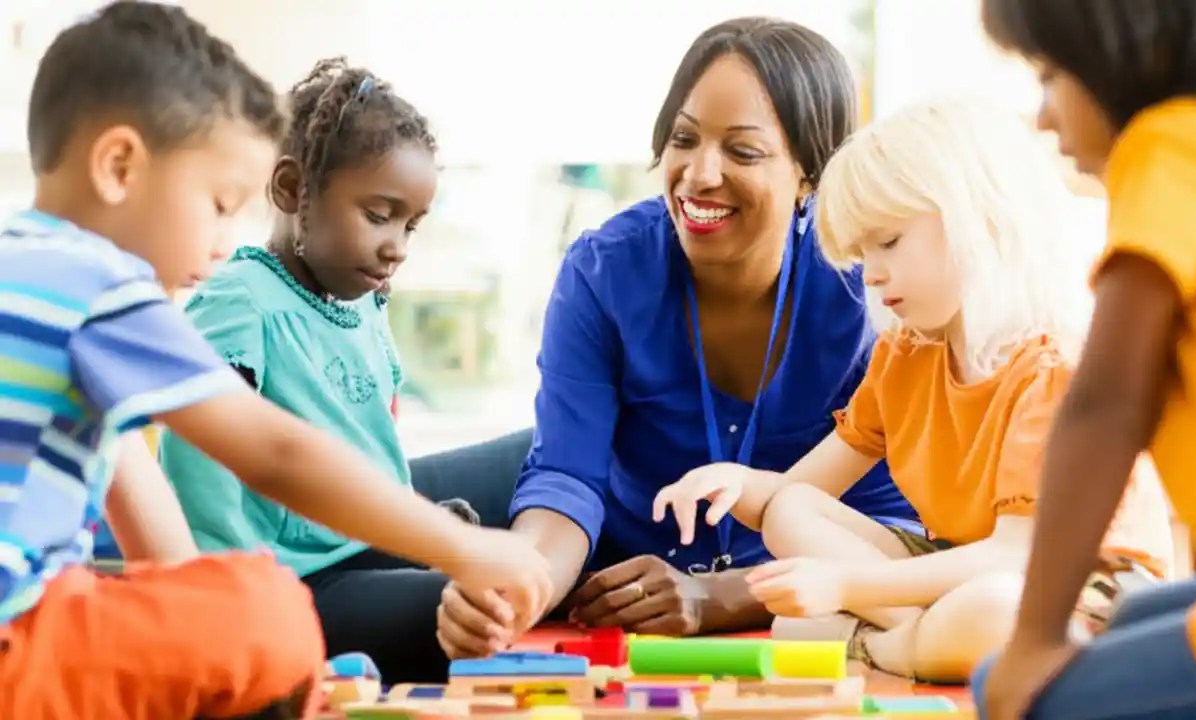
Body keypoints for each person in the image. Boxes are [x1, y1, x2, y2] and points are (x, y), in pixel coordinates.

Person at [0, 4, 551, 717]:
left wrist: (211, 623)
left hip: (39, 626)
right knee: (274, 610)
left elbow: (147, 519)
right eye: (218, 203)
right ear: (119, 166)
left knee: (238, 608)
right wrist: (462, 549)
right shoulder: (102, 285)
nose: (226, 239)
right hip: (22, 645)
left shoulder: (29, 273)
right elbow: (274, 455)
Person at [432, 17, 919, 661]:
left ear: (810, 174)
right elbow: (566, 478)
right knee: (354, 517)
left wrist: (725, 595)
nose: (697, 174)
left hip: (780, 578)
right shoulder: (604, 269)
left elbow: (900, 527)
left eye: (742, 151)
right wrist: (525, 585)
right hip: (601, 507)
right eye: (683, 139)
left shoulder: (869, 297)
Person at [653, 98, 1175, 684]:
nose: (870, 273)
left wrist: (846, 586)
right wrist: (739, 485)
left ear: (977, 222)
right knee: (792, 514)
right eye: (862, 252)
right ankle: (921, 637)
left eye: (889, 243)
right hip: (957, 576)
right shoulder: (904, 356)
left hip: (1080, 592)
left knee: (989, 610)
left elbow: (1015, 553)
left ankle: (886, 646)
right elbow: (797, 496)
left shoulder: (1052, 369)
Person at [158, 57, 530, 685]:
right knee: (472, 608)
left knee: (535, 456)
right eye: (379, 215)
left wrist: (428, 531)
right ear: (291, 191)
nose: (398, 247)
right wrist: (232, 607)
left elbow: (376, 452)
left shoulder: (357, 302)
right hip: (292, 579)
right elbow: (199, 469)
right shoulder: (239, 301)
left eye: (410, 225)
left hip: (359, 537)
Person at [971, 0, 1196, 718]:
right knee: (1136, 619)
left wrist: (1033, 639)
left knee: (1008, 688)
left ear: (1137, 54)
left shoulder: (1173, 145)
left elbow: (1107, 403)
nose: (1043, 119)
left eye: (1050, 78)